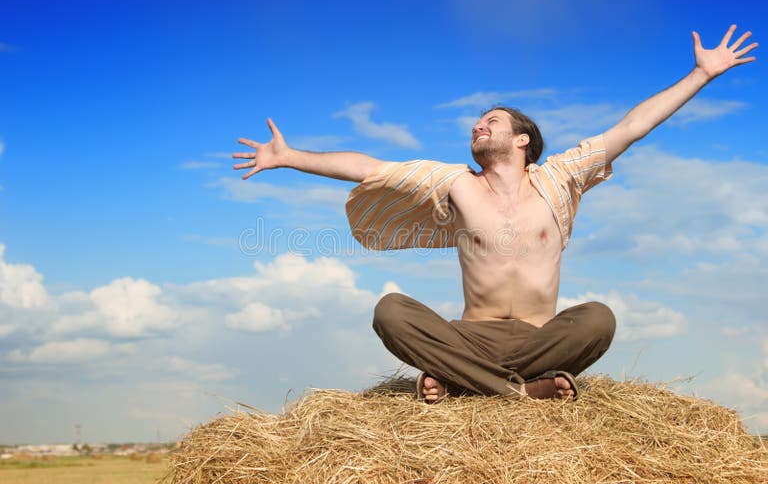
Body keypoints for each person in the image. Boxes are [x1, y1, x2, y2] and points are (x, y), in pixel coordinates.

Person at [233, 25, 757, 402]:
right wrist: (290, 156)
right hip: (471, 334)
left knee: (599, 317)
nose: (479, 126)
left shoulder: (561, 177)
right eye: (477, 123)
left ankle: (463, 383)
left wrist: (701, 75)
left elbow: (631, 128)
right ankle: (519, 393)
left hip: (541, 337)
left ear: (523, 139)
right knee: (390, 309)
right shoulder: (456, 183)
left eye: (492, 120)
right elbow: (369, 167)